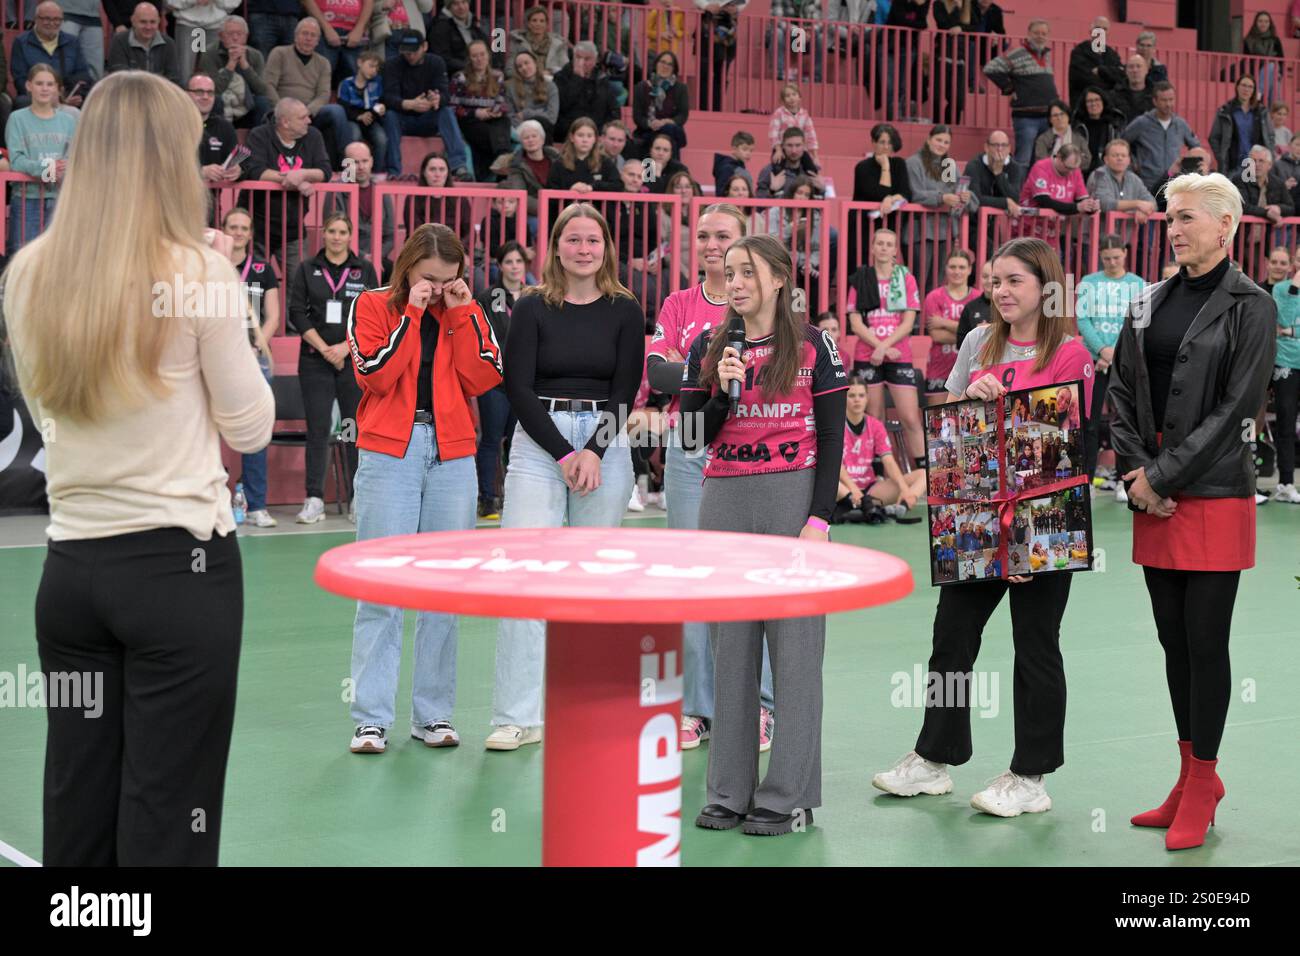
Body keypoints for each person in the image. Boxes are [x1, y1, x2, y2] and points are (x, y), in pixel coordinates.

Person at [0, 70, 275, 865]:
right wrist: (233, 309)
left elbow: (52, 407)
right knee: (168, 811)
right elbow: (251, 428)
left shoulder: (28, 274)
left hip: (72, 572)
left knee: (77, 804)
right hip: (178, 572)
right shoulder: (200, 275)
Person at [872, 237, 1094, 818]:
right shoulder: (977, 341)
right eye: (995, 281)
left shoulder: (1070, 352)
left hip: (1041, 526)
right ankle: (933, 759)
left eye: (1013, 280)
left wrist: (1025, 544)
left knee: (1036, 645)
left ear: (1045, 286)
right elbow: (950, 430)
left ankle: (1031, 774)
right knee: (951, 636)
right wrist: (970, 394)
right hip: (972, 520)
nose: (1000, 291)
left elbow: (1066, 452)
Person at [1107, 172, 1275, 851]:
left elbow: (1238, 408)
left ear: (1225, 225)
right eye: (1169, 219)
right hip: (1152, 493)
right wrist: (1132, 474)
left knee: (1206, 644)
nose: (1173, 229)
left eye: (1185, 219)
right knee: (1172, 641)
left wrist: (1163, 475)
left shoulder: (1252, 305)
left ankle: (1204, 781)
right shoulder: (1148, 301)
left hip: (1214, 495)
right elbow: (1119, 387)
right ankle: (1188, 774)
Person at [683, 234, 848, 836]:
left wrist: (820, 519)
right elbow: (688, 438)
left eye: (747, 272)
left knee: (796, 650)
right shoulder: (709, 344)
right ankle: (729, 789)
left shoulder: (813, 346)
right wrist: (719, 395)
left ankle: (788, 794)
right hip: (725, 498)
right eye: (728, 273)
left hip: (790, 496)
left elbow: (832, 439)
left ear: (779, 278)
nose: (736, 284)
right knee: (732, 653)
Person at [487, 203, 644, 751]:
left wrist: (596, 450)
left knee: (593, 582)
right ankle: (516, 716)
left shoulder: (626, 308)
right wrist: (563, 454)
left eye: (592, 240)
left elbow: (626, 389)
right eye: (573, 240)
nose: (583, 249)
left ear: (606, 248)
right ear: (556, 248)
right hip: (539, 445)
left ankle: (588, 708)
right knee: (525, 579)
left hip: (607, 439)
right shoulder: (531, 306)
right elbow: (518, 387)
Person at [344, 222, 502, 754]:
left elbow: (483, 378)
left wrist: (459, 311)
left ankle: (433, 716)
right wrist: (411, 311)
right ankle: (370, 719)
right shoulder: (371, 304)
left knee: (443, 591)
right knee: (381, 588)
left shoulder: (464, 309)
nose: (436, 287)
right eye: (428, 278)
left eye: (447, 278)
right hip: (390, 450)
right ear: (408, 265)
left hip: (453, 454)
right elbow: (376, 375)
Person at [643, 203, 779, 751]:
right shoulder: (678, 303)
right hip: (691, 446)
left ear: (746, 244)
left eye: (723, 235)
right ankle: (696, 709)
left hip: (753, 447)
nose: (711, 244)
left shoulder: (767, 305)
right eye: (702, 235)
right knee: (692, 578)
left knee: (754, 579)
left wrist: (693, 368)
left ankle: (761, 706)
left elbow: (777, 372)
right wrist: (716, 371)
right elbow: (656, 374)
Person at [287, 212, 378, 524]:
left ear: (350, 236)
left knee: (353, 429)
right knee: (319, 428)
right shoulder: (306, 269)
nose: (337, 237)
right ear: (323, 234)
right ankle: (314, 499)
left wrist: (345, 348)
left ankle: (357, 498)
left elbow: (372, 317)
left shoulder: (364, 269)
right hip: (315, 360)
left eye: (343, 232)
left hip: (351, 360)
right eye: (332, 231)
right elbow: (297, 313)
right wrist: (326, 349)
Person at [222, 206, 281, 528]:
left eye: (244, 227)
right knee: (207, 434)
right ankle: (214, 501)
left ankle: (256, 505)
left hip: (255, 359)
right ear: (224, 230)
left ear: (250, 233)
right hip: (218, 359)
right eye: (233, 226)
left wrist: (258, 343)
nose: (239, 232)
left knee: (256, 435)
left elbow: (272, 315)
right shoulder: (211, 268)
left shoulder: (262, 268)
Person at [846, 229, 924, 465]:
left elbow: (909, 322)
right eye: (879, 243)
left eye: (889, 244)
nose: (884, 247)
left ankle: (923, 471)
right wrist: (879, 347)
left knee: (910, 417)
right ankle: (877, 470)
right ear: (872, 248)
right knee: (874, 417)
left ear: (895, 250)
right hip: (867, 354)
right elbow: (855, 323)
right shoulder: (861, 278)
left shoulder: (905, 278)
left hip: (898, 354)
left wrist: (885, 347)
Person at [1076, 233, 1144, 488]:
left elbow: (1139, 324)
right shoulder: (1088, 282)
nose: (1112, 262)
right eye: (1107, 258)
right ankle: (1086, 480)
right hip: (1095, 363)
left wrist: (1114, 354)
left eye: (1116, 257)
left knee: (1127, 422)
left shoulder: (1138, 284)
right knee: (1089, 423)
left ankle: (1125, 480)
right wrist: (1103, 350)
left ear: (1125, 254)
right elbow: (1083, 321)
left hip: (1123, 362)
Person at [243, 97, 331, 282]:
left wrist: (303, 174)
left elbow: (325, 171)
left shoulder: (313, 135)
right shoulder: (259, 135)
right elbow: (255, 171)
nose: (309, 120)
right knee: (254, 286)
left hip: (294, 230)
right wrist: (295, 181)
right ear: (285, 121)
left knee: (299, 286)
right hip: (258, 228)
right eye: (302, 117)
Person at [473, 239, 530, 519]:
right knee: (492, 439)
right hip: (493, 383)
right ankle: (487, 498)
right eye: (509, 261)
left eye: (518, 261)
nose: (514, 266)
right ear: (500, 266)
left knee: (518, 442)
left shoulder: (535, 295)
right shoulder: (487, 297)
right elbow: (481, 337)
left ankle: (515, 498)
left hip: (524, 385)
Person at [381, 29, 472, 181]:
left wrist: (436, 100)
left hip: (428, 117)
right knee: (390, 116)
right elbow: (388, 97)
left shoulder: (436, 62)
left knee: (447, 112)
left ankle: (458, 166)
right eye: (406, 52)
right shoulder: (392, 64)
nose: (410, 56)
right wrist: (408, 104)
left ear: (425, 46)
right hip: (403, 117)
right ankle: (394, 171)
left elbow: (445, 94)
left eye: (414, 52)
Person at [264, 18, 354, 170]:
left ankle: (347, 171)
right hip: (282, 110)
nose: (308, 38)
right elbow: (268, 85)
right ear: (295, 35)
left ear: (318, 41)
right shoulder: (279, 53)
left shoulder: (323, 62)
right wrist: (284, 110)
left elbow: (324, 94)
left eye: (313, 35)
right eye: (305, 33)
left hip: (310, 112)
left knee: (337, 111)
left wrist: (305, 112)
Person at [5, 65, 76, 255]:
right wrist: (50, 170)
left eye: (50, 84)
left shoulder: (69, 121)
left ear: (57, 89)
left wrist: (63, 169)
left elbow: (74, 156)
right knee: (24, 256)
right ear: (28, 86)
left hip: (60, 199)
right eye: (39, 83)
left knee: (57, 256)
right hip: (27, 199)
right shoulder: (17, 119)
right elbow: (17, 160)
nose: (44, 88)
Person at [834, 377, 926, 522]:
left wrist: (905, 489)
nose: (857, 400)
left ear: (867, 398)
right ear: (844, 398)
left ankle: (900, 507)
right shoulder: (836, 425)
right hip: (844, 488)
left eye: (861, 395)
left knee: (923, 474)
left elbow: (888, 461)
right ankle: (861, 507)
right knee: (827, 481)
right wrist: (853, 489)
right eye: (851, 395)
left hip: (870, 489)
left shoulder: (875, 425)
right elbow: (835, 464)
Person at [905, 124, 975, 289]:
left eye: (946, 142)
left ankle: (931, 314)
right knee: (918, 282)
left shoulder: (948, 165)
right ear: (929, 139)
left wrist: (965, 196)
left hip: (946, 231)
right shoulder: (914, 162)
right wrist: (942, 198)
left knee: (938, 282)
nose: (941, 145)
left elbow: (955, 189)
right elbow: (915, 194)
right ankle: (915, 315)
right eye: (938, 140)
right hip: (920, 231)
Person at [984, 18, 1059, 167]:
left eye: (1044, 33)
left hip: (1047, 117)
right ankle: (1017, 189)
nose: (1040, 36)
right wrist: (1009, 88)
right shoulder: (1017, 53)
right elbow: (990, 68)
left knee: (1042, 161)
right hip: (1026, 117)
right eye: (1036, 32)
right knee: (1023, 160)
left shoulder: (1046, 55)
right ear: (1029, 33)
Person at [1120, 83, 1203, 205]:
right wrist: (1132, 164)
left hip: (1173, 183)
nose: (1168, 104)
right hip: (1147, 183)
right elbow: (1121, 143)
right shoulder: (1142, 123)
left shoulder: (1180, 124)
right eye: (1164, 100)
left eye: (1171, 100)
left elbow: (1196, 147)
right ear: (1155, 101)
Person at [449, 39, 512, 182]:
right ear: (469, 58)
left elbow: (502, 102)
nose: (479, 59)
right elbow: (453, 107)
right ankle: (503, 167)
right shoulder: (460, 78)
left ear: (488, 55)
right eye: (475, 56)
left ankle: (503, 158)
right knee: (490, 134)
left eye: (482, 54)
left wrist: (494, 111)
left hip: (492, 117)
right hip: (469, 120)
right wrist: (476, 113)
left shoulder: (498, 76)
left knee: (504, 121)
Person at [10, 3, 94, 109]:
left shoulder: (72, 42)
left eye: (57, 19)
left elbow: (83, 74)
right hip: (35, 97)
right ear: (36, 19)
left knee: (92, 99)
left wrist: (69, 95)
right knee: (22, 101)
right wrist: (53, 99)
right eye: (47, 19)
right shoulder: (21, 42)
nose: (52, 23)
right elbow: (20, 80)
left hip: (67, 94)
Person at [326, 141, 396, 269]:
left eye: (365, 161)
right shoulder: (336, 192)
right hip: (344, 259)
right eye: (355, 162)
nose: (361, 167)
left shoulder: (383, 193)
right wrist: (364, 257)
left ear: (371, 161)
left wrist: (376, 256)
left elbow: (390, 235)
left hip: (378, 259)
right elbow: (333, 234)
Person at [196, 15, 274, 129]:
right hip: (222, 100)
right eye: (230, 34)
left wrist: (245, 66)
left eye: (239, 34)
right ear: (221, 36)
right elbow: (214, 90)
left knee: (262, 102)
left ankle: (259, 142)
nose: (235, 38)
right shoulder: (209, 53)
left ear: (246, 37)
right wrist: (231, 64)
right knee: (215, 100)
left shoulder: (255, 55)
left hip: (246, 101)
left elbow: (262, 90)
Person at [919, 248, 979, 394]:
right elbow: (937, 336)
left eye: (962, 267)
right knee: (938, 416)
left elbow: (982, 333)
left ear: (970, 270)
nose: (957, 271)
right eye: (952, 267)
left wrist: (945, 323)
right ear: (945, 269)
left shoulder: (978, 298)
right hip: (939, 367)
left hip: (972, 370)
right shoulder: (933, 297)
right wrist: (970, 334)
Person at [338, 50, 401, 178]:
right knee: (354, 137)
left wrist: (378, 110)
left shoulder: (377, 82)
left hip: (371, 119)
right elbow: (343, 107)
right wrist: (358, 116)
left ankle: (375, 174)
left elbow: (382, 101)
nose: (374, 70)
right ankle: (348, 174)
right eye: (371, 66)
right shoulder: (346, 83)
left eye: (377, 68)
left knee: (381, 139)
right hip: (353, 119)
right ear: (360, 63)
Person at [1269, 258, 1300, 503]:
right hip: (1287, 363)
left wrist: (1292, 332)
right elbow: (1283, 321)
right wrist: (1295, 288)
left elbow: (1289, 329)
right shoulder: (1281, 288)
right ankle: (1285, 483)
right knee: (1286, 424)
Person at [1209, 74, 1273, 181]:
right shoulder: (1225, 111)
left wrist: (1269, 157)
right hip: (1233, 166)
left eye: (1250, 87)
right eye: (1243, 85)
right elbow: (1213, 137)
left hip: (1256, 166)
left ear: (1254, 90)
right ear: (1237, 87)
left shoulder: (1261, 111)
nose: (1246, 89)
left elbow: (1270, 136)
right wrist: (1221, 157)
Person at [552, 41, 618, 143]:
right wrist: (577, 79)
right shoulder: (561, 77)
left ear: (595, 60)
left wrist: (605, 132)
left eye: (587, 59)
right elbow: (563, 105)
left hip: (598, 134)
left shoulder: (602, 79)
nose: (581, 62)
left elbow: (613, 111)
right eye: (578, 58)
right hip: (568, 133)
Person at [632, 50, 689, 160]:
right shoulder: (642, 87)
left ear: (674, 69)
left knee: (669, 130)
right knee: (658, 138)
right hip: (648, 130)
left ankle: (665, 174)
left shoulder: (681, 88)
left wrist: (667, 122)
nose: (665, 66)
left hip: (671, 130)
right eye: (662, 62)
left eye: (669, 64)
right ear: (656, 64)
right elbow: (637, 117)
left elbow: (683, 115)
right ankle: (657, 174)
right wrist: (651, 123)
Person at [105, 3, 181, 85]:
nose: (148, 27)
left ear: (159, 21)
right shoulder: (119, 41)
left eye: (152, 22)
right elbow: (118, 78)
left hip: (159, 94)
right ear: (133, 21)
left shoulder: (169, 43)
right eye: (143, 22)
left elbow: (173, 79)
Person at [1086, 138, 1156, 224]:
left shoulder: (1134, 179)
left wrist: (1144, 211)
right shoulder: (1098, 174)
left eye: (1123, 155)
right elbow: (1104, 203)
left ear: (1129, 160)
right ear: (1106, 159)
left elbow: (1152, 202)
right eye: (1115, 155)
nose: (1120, 158)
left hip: (1126, 236)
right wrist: (1137, 204)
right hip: (1098, 235)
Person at [169, 0, 240, 84]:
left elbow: (232, 3)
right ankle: (184, 95)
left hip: (217, 22)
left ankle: (212, 95)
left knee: (213, 69)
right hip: (187, 21)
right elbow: (171, 2)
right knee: (184, 70)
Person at [299, 0, 373, 80]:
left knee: (356, 81)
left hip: (354, 32)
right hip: (323, 31)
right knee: (319, 77)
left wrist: (359, 29)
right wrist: (326, 27)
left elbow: (369, 2)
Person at [852, 122, 912, 217]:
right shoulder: (862, 167)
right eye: (882, 142)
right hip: (865, 221)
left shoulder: (899, 163)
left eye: (890, 143)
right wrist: (885, 167)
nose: (886, 147)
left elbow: (906, 194)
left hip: (891, 220)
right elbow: (880, 196)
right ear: (873, 142)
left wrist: (891, 198)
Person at [1067, 15, 1123, 111]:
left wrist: (1101, 71)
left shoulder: (1113, 55)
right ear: (1090, 31)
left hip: (1107, 110)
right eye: (1098, 28)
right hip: (1083, 109)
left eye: (1104, 29)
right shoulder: (1079, 52)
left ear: (1108, 33)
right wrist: (1109, 83)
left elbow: (1121, 76)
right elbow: (1083, 79)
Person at [965, 129, 1025, 218]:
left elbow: (1015, 199)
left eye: (1004, 145)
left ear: (1009, 149)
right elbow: (975, 198)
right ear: (986, 147)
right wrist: (1005, 202)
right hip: (972, 222)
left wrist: (999, 174)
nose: (1000, 149)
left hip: (996, 226)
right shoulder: (974, 165)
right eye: (995, 145)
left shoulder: (1015, 168)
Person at [1230, 145, 1293, 225]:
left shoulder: (1278, 183)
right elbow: (1242, 206)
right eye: (1253, 161)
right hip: (1243, 234)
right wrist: (1266, 213)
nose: (1257, 164)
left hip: (1268, 236)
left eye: (1261, 161)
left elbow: (1291, 208)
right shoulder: (1239, 179)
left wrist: (1278, 208)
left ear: (1269, 165)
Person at [427, 0, 494, 76]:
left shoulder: (473, 24)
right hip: (455, 75)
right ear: (449, 7)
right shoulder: (440, 27)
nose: (461, 7)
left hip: (477, 72)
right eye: (456, 4)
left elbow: (488, 51)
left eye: (464, 2)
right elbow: (443, 59)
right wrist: (471, 67)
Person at [505, 50, 558, 143]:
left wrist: (526, 113)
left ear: (535, 63)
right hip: (520, 128)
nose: (524, 68)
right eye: (519, 66)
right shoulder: (510, 88)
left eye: (527, 63)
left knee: (543, 123)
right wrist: (527, 127)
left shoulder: (550, 85)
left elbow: (552, 117)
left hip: (543, 127)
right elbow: (510, 115)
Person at [756, 126, 823, 199]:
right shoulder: (769, 171)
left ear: (804, 146)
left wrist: (821, 190)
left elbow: (819, 207)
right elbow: (758, 206)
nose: (794, 150)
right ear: (783, 146)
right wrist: (772, 191)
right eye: (789, 145)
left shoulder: (812, 173)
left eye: (798, 145)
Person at [506, 5, 569, 80]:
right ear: (528, 23)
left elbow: (566, 69)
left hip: (551, 82)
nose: (538, 24)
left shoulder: (558, 44)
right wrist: (530, 75)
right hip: (526, 83)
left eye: (542, 21)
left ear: (546, 24)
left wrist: (550, 72)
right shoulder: (518, 42)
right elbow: (509, 70)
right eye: (534, 20)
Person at [1074, 86, 1126, 178]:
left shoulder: (1114, 124)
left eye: (1097, 100)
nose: (1093, 104)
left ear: (1103, 101)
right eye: (1089, 101)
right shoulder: (1078, 126)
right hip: (1082, 172)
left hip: (1109, 172)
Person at [1033, 99, 1091, 173]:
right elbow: (1041, 161)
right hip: (1050, 177)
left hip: (1073, 176)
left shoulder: (1078, 138)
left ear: (1068, 116)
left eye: (1062, 114)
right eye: (1055, 115)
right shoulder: (1043, 139)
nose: (1059, 118)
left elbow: (1087, 160)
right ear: (1050, 119)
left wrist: (1066, 165)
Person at [769, 82, 819, 165]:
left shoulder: (805, 115)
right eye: (787, 96)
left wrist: (815, 156)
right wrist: (778, 150)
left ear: (799, 97)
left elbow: (811, 135)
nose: (791, 98)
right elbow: (773, 133)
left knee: (812, 169)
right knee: (777, 167)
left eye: (794, 94)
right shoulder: (779, 113)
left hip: (800, 149)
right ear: (783, 100)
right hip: (782, 148)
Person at [1243, 11, 1284, 109]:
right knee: (1272, 74)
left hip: (1273, 73)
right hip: (1256, 73)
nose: (1263, 24)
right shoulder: (1248, 40)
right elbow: (1247, 60)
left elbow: (1281, 60)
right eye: (1260, 21)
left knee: (1272, 67)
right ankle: (1274, 113)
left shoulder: (1275, 40)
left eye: (1266, 21)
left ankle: (1257, 95)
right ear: (1256, 23)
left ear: (1270, 24)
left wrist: (1279, 73)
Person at [955, 258, 994, 346]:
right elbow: (959, 342)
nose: (989, 281)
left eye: (993, 277)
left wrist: (991, 329)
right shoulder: (971, 307)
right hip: (976, 358)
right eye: (985, 276)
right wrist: (976, 334)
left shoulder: (1008, 305)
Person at [1109, 54, 1154, 126]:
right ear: (1126, 71)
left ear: (1147, 70)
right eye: (1131, 67)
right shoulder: (1113, 96)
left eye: (1138, 66)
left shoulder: (1155, 96)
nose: (1135, 70)